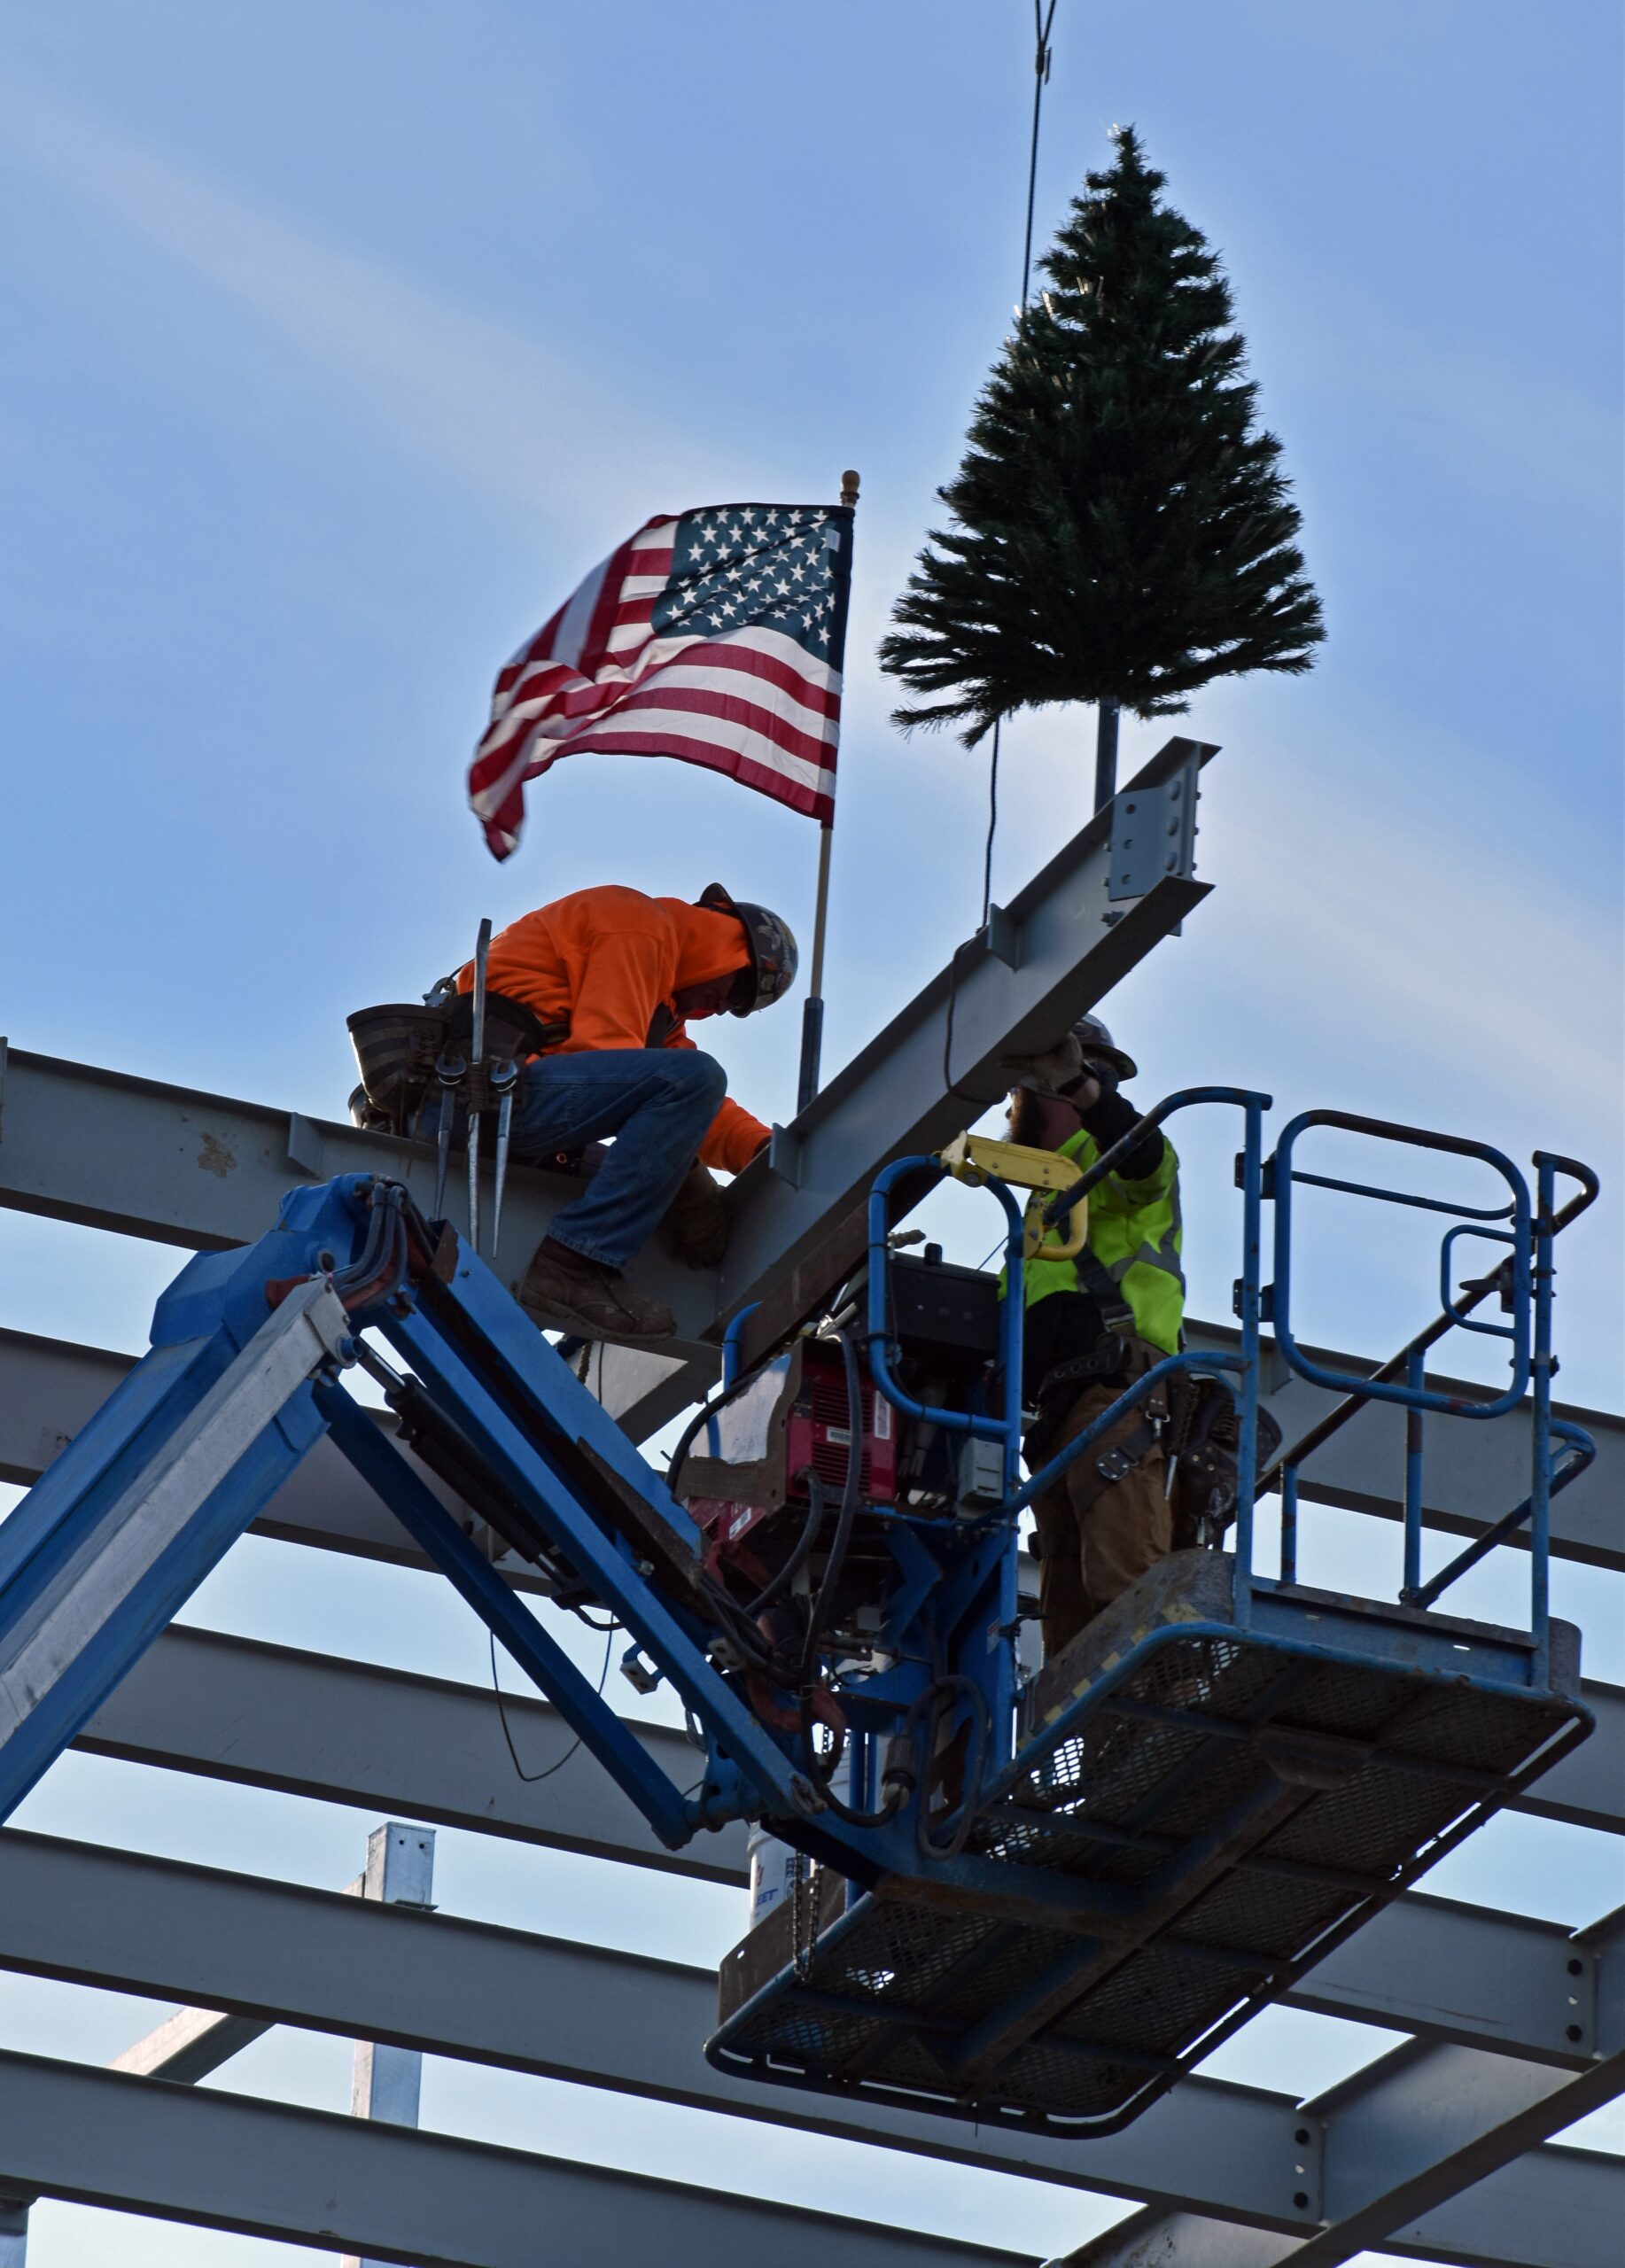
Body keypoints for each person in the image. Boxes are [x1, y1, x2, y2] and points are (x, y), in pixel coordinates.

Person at [444, 882, 796, 1343]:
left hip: (514, 1110)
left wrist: (764, 1151)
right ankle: (577, 1263)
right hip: (479, 1101)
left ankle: (560, 1311)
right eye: (737, 990)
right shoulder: (636, 922)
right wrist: (685, 1182)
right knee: (693, 1079)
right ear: (728, 950)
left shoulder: (659, 1009)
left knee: (661, 1127)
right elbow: (611, 1058)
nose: (722, 1010)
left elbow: (691, 1107)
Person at [999, 1014, 1185, 1663]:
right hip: (1054, 1426)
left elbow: (1146, 1162)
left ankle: (1161, 1709)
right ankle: (1099, 1744)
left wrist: (1079, 1082)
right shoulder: (1034, 1221)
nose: (1008, 1108)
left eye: (1016, 1091)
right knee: (1070, 1639)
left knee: (1126, 1592)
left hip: (1117, 1395)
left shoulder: (1116, 1160)